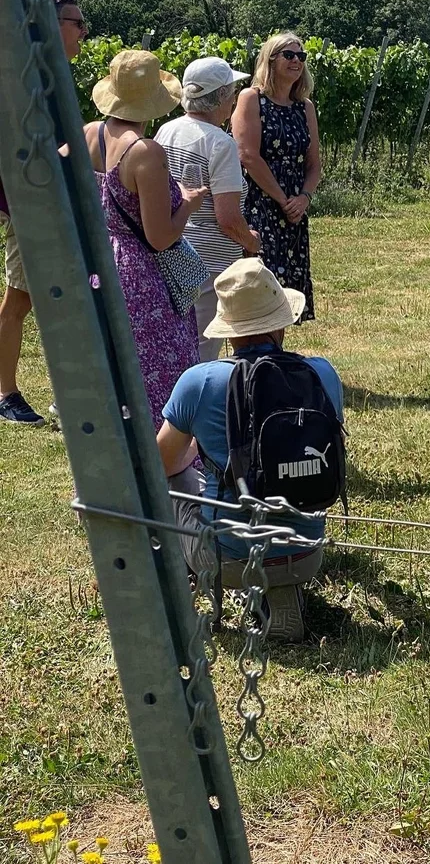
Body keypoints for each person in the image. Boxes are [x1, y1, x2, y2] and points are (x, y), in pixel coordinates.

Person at [157, 257, 344, 642]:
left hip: (227, 559)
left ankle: (183, 578)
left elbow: (160, 463)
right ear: (280, 321)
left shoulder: (200, 382)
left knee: (175, 476)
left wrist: (202, 447)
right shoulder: (322, 374)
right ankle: (282, 586)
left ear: (228, 328)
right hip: (306, 553)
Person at [83, 50, 207, 427]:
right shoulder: (145, 152)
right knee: (162, 375)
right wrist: (188, 203)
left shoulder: (91, 133)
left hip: (102, 263)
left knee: (114, 372)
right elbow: (159, 237)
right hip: (143, 279)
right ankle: (170, 467)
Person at [0, 0, 89, 424]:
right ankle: (5, 394)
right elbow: (26, 147)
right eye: (78, 22)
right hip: (28, 202)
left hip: (46, 201)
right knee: (20, 298)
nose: (84, 31)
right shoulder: (31, 78)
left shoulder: (49, 75)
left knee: (57, 297)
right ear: (51, 25)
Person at [155, 57, 261, 361]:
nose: (232, 102)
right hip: (211, 264)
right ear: (219, 98)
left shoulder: (166, 131)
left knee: (173, 336)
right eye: (230, 93)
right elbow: (227, 218)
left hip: (173, 249)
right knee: (202, 345)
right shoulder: (220, 144)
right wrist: (250, 240)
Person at [232, 33, 321, 322]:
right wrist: (283, 200)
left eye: (301, 56)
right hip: (260, 207)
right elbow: (247, 155)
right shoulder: (252, 98)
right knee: (259, 290)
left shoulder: (305, 107)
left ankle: (277, 357)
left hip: (294, 211)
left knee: (287, 298)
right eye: (289, 55)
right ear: (271, 59)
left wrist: (303, 199)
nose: (297, 61)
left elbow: (314, 163)